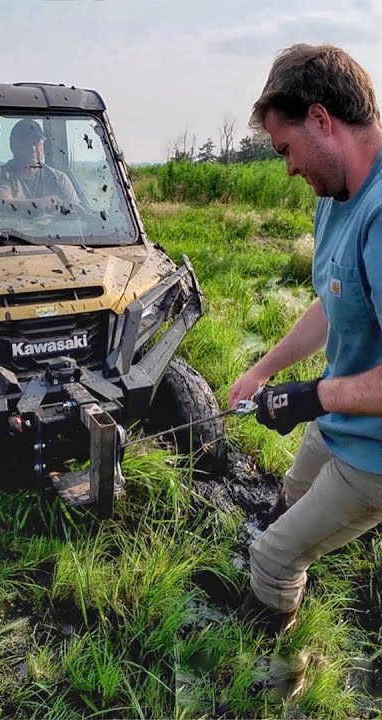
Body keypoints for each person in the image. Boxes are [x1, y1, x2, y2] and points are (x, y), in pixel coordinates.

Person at [228, 44, 382, 642]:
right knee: (287, 497)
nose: (287, 167)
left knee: (274, 555)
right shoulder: (333, 197)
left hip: (375, 452)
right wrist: (265, 370)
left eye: (286, 149)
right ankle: (283, 554)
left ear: (321, 120)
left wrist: (314, 396)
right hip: (341, 416)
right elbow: (334, 301)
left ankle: (276, 670)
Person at [0, 118, 82, 216]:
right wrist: (43, 204)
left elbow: (76, 215)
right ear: (13, 145)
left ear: (43, 145)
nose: (33, 148)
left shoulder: (59, 179)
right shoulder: (1, 176)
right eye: (26, 142)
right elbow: (0, 205)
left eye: (36, 142)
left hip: (53, 232)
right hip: (8, 231)